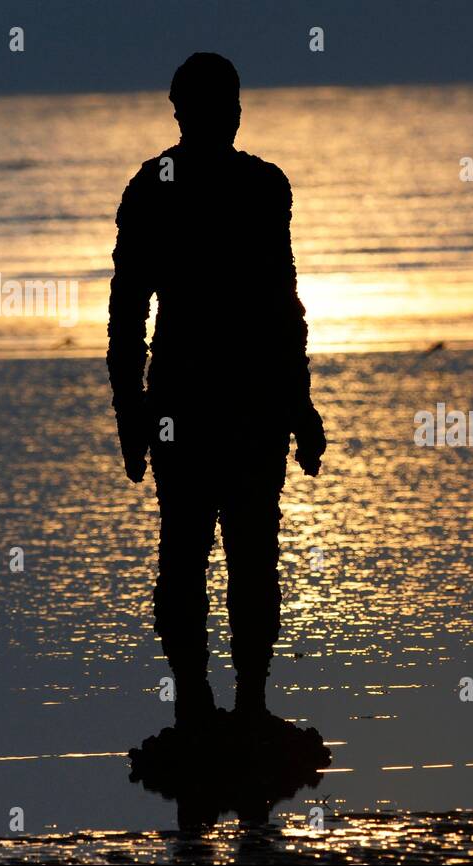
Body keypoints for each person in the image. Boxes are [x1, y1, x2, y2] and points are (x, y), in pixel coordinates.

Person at [106, 52, 325, 733]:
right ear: (194, 113)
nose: (225, 120)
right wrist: (131, 414)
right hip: (199, 402)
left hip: (229, 402)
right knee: (202, 550)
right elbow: (128, 309)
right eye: (217, 109)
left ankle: (239, 700)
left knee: (235, 551)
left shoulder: (254, 186)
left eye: (227, 108)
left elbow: (282, 303)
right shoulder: (167, 187)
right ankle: (203, 698)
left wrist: (301, 406)